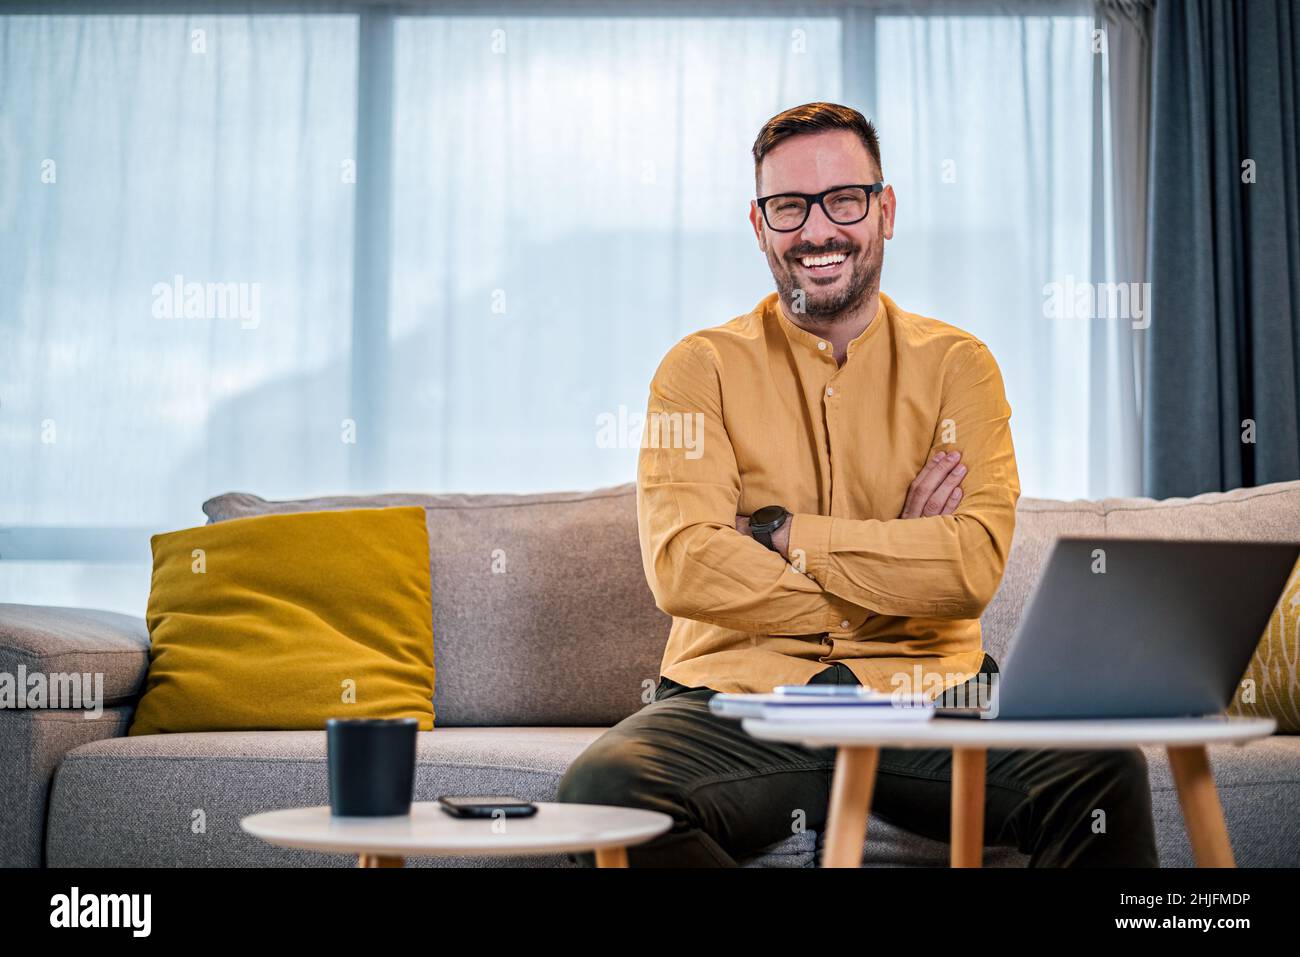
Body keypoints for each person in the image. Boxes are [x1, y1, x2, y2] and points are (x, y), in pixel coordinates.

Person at [556, 102, 1158, 868]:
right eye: (788, 207)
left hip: (934, 698)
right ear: (758, 223)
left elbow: (970, 568)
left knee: (1104, 775)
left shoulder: (958, 366)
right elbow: (683, 564)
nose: (817, 230)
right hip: (739, 699)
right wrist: (902, 562)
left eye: (844, 199)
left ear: (886, 208)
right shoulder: (696, 370)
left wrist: (785, 536)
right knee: (605, 792)